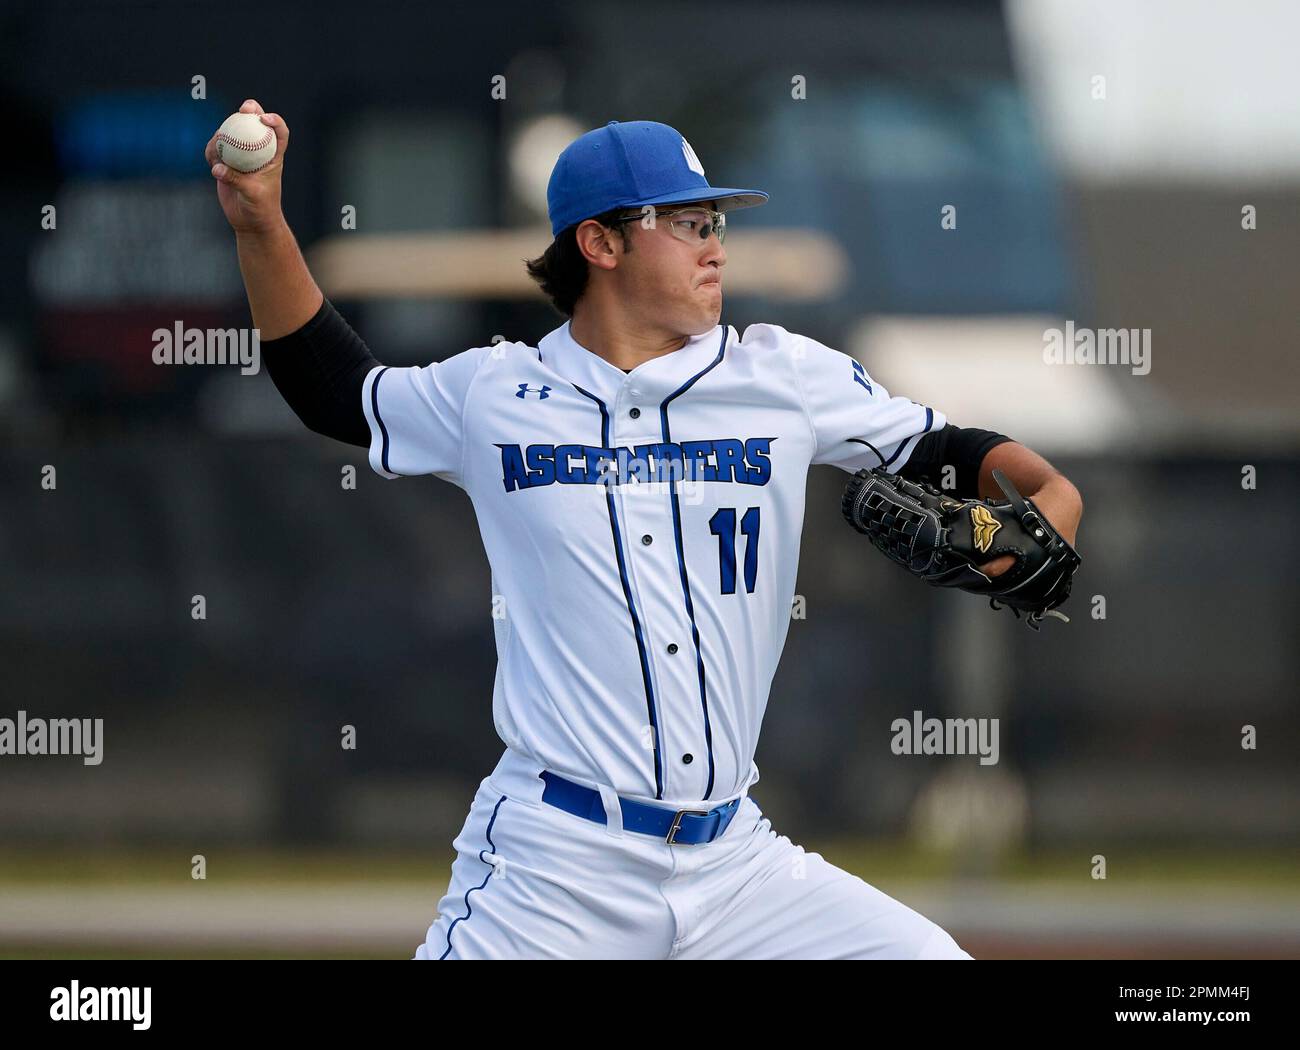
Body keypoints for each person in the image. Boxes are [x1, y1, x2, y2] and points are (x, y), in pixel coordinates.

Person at [208, 102, 1083, 959]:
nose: (716, 243)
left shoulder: (781, 376)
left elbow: (950, 450)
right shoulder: (496, 395)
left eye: (718, 222)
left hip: (738, 863)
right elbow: (335, 390)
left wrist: (1052, 496)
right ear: (602, 242)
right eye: (691, 221)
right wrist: (260, 226)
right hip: (557, 867)